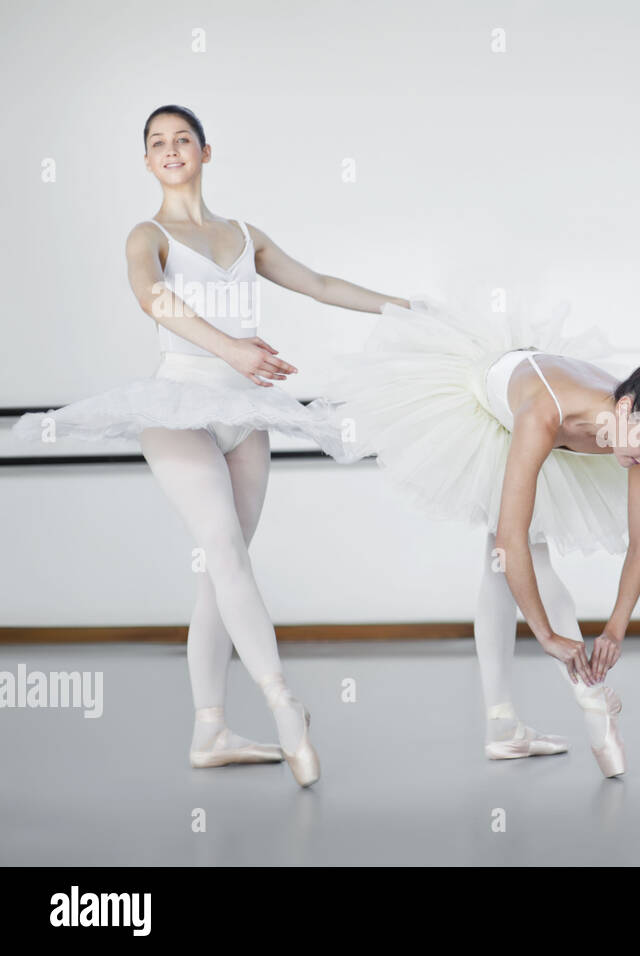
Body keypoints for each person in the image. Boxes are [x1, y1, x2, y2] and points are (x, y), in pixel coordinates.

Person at [11, 105, 410, 786]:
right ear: (146, 161)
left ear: (205, 151)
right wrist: (232, 348)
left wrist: (405, 309)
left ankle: (210, 729)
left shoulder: (244, 234)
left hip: (244, 412)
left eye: (182, 140)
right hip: (177, 405)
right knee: (222, 547)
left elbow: (317, 284)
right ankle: (285, 704)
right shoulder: (147, 234)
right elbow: (151, 299)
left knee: (219, 575)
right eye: (157, 143)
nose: (171, 150)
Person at [320, 294, 640, 777]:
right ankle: (590, 701)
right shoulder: (544, 414)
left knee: (496, 574)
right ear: (625, 408)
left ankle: (502, 727)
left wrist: (616, 629)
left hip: (567, 408)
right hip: (491, 398)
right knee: (521, 554)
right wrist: (546, 636)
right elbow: (510, 542)